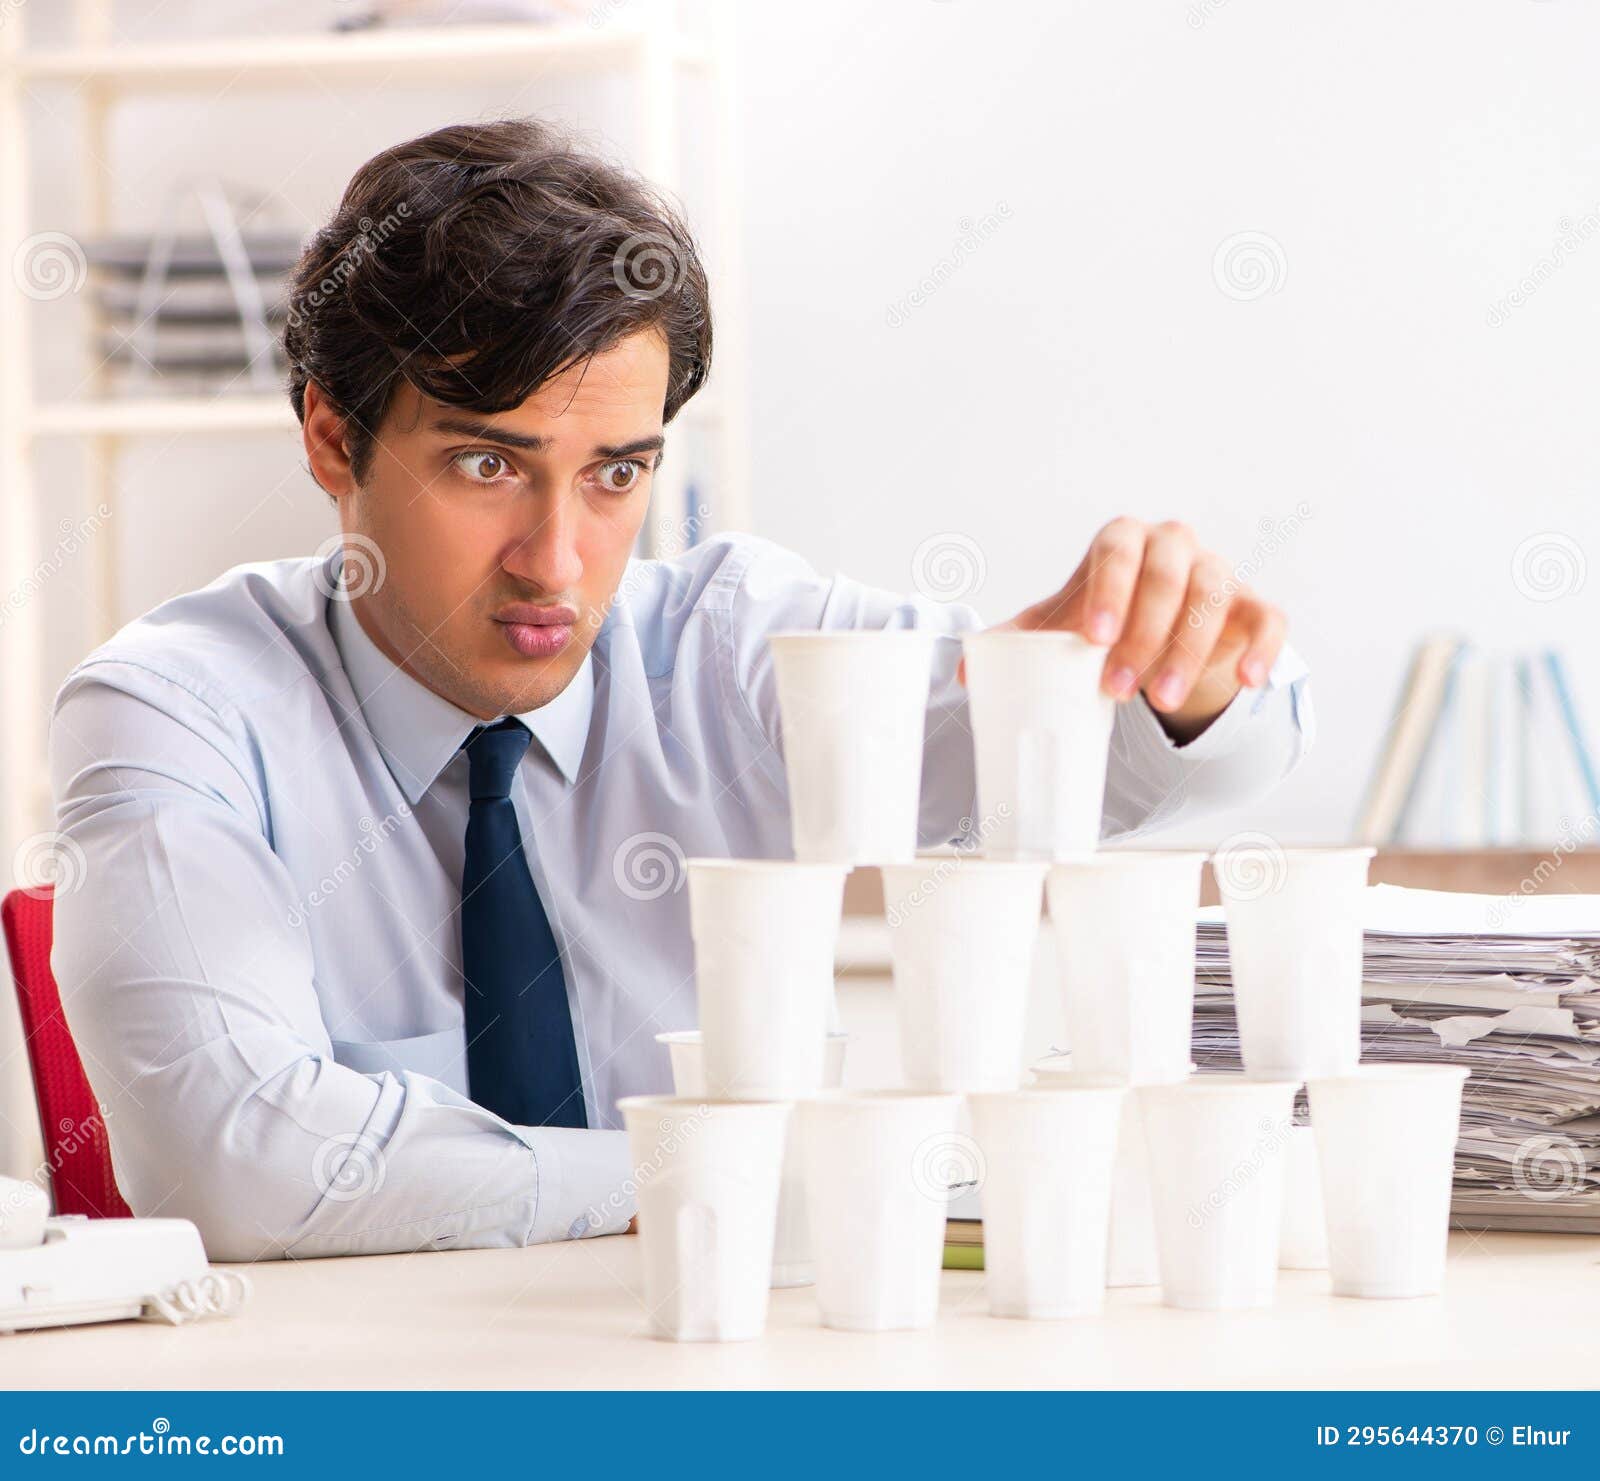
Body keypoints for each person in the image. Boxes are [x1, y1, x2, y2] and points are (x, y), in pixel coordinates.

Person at [47, 119, 1311, 1261]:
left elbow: (1178, 763)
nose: (555, 560)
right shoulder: (176, 707)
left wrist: (1179, 675)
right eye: (487, 463)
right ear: (332, 437)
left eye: (615, 474)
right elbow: (241, 1161)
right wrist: (713, 1173)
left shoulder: (738, 649)